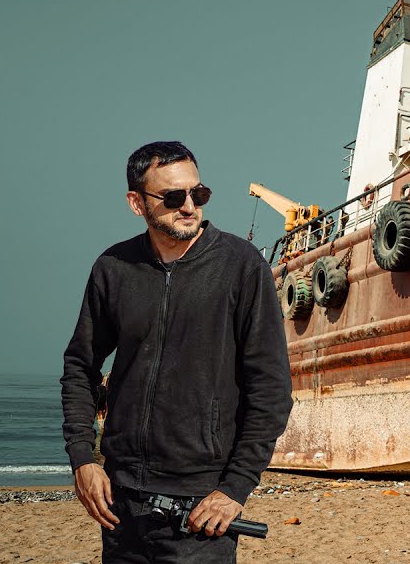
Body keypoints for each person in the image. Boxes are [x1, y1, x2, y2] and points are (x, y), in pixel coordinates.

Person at [61, 141, 292, 562]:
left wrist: (234, 488)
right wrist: (83, 459)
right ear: (136, 202)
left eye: (197, 194)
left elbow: (271, 390)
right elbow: (80, 366)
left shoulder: (242, 267)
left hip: (201, 510)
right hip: (120, 504)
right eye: (172, 197)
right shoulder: (113, 268)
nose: (189, 206)